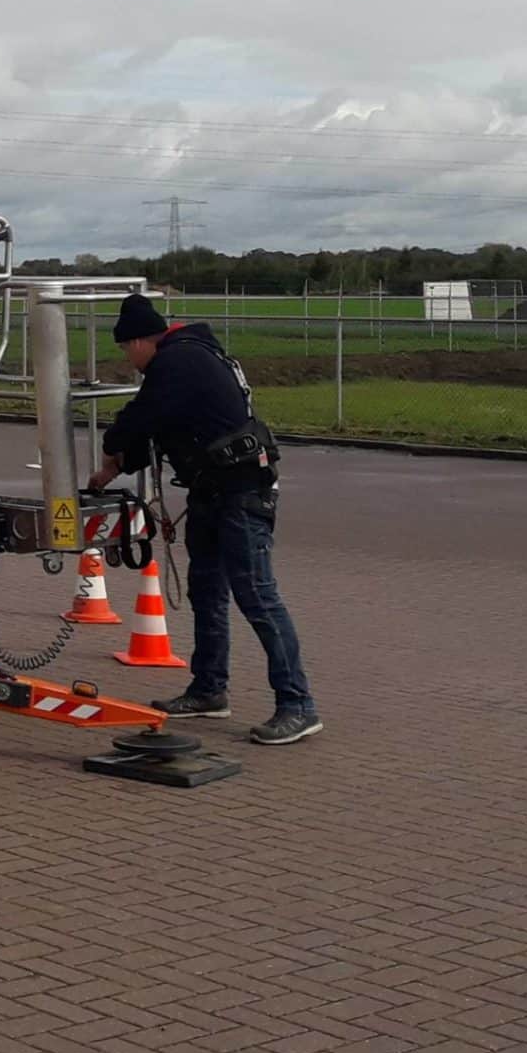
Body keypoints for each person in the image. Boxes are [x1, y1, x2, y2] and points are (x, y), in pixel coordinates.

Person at [87, 293, 321, 745]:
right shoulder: (187, 361)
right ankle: (209, 689)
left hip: (240, 493)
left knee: (257, 595)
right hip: (214, 492)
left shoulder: (178, 362)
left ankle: (298, 704)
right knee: (207, 591)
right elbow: (158, 430)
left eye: (127, 351)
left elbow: (140, 418)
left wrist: (112, 445)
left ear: (137, 341)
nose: (130, 362)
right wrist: (114, 469)